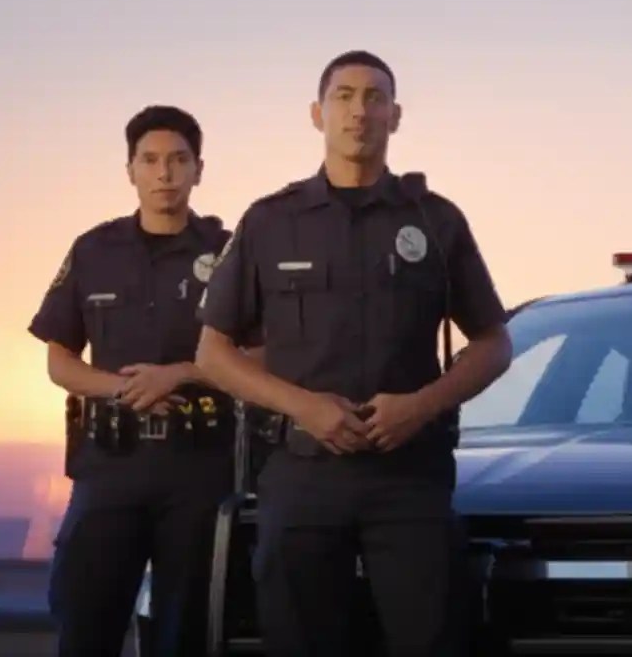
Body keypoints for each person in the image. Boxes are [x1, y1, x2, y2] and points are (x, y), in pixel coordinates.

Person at [195, 49, 512, 657]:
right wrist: (304, 407)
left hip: (410, 479)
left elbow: (494, 342)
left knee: (433, 640)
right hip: (302, 474)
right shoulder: (268, 221)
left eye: (375, 98)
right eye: (343, 97)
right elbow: (213, 351)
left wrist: (421, 406)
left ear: (396, 116)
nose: (358, 111)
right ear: (318, 114)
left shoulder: (437, 221)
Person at [29, 105, 236, 656]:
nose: (164, 173)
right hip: (109, 466)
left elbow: (263, 353)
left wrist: (183, 374)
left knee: (187, 632)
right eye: (150, 160)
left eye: (178, 160)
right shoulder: (93, 250)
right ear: (130, 170)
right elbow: (60, 362)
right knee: (85, 623)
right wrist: (121, 389)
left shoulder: (230, 251)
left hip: (199, 470)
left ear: (198, 168)